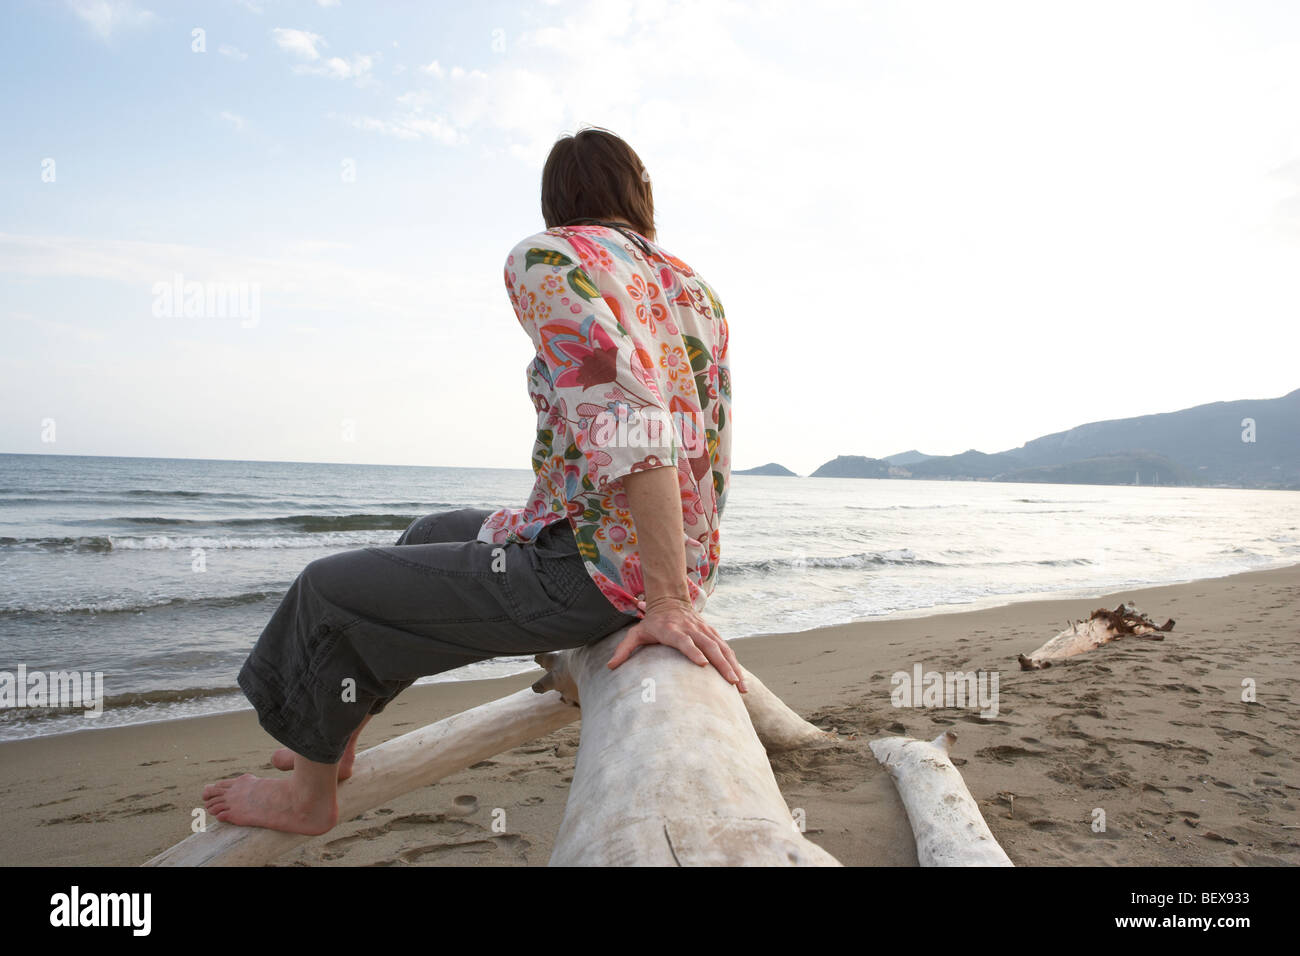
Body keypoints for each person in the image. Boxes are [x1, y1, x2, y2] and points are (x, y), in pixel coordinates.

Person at [202, 126, 735, 835]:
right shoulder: (692, 287)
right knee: (428, 535)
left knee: (325, 591)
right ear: (640, 192)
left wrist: (665, 602)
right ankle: (340, 725)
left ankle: (308, 797)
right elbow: (701, 430)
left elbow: (633, 422)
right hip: (635, 551)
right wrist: (676, 582)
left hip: (595, 576)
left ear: (556, 200)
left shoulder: (550, 256)